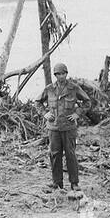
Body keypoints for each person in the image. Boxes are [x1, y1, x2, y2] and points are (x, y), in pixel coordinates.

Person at [37, 62, 91, 196]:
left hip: (69, 128)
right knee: (55, 155)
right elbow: (38, 102)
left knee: (70, 155)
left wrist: (77, 114)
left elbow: (87, 102)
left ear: (67, 74)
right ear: (55, 75)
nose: (61, 76)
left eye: (63, 73)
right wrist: (44, 113)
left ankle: (74, 183)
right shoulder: (49, 89)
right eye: (58, 74)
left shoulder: (73, 88)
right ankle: (57, 183)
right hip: (54, 127)